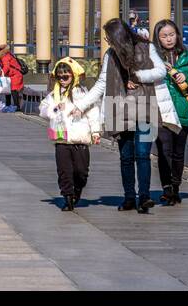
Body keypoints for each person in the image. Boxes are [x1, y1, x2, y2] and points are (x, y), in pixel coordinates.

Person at [75, 19, 178, 213]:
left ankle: (145, 196)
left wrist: (138, 76)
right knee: (126, 156)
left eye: (108, 37)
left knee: (142, 154)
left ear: (118, 36)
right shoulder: (110, 55)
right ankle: (129, 196)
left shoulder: (146, 48)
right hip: (119, 108)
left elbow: (160, 71)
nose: (107, 41)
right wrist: (81, 105)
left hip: (145, 107)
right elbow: (101, 83)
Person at [151, 19, 188, 206]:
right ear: (158, 38)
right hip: (162, 112)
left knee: (178, 152)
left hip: (182, 110)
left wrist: (187, 76)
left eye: (172, 34)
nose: (169, 39)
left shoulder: (187, 57)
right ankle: (166, 188)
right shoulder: (154, 58)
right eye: (164, 36)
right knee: (164, 150)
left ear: (178, 35)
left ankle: (176, 187)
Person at [39, 58, 101, 211]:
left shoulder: (83, 93)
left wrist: (96, 132)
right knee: (64, 170)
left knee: (81, 172)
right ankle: (67, 197)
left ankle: (77, 189)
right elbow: (42, 109)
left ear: (73, 76)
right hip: (61, 139)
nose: (62, 79)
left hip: (80, 138)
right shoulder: (53, 95)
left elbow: (93, 113)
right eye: (60, 76)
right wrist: (54, 109)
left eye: (66, 76)